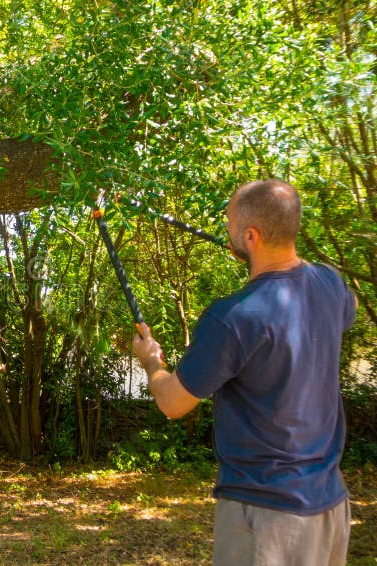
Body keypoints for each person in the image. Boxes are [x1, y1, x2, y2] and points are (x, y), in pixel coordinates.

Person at [132, 179, 357, 566]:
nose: (227, 231)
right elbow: (347, 302)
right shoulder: (330, 285)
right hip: (330, 508)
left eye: (231, 225)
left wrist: (152, 360)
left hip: (266, 515)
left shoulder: (234, 317)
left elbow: (172, 402)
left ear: (250, 236)